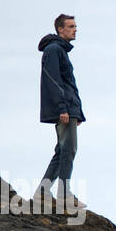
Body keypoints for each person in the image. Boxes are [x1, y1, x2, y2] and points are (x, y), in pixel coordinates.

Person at [35, 14, 85, 213]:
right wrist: (62, 109)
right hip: (63, 109)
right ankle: (64, 194)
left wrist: (77, 113)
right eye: (71, 26)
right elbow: (53, 81)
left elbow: (67, 84)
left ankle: (43, 191)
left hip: (68, 109)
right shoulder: (54, 50)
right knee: (69, 149)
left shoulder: (60, 50)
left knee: (63, 149)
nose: (75, 30)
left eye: (75, 26)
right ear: (60, 29)